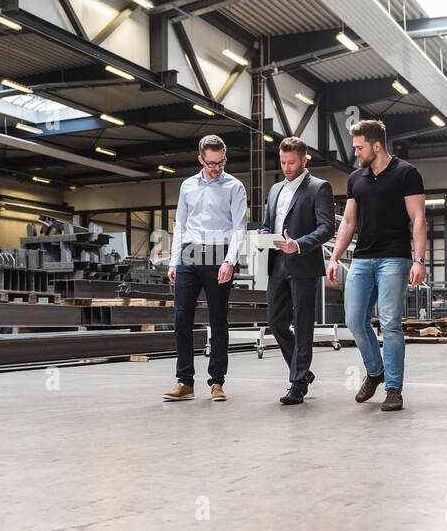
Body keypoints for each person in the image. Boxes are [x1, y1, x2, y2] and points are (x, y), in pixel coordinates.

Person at [326, 119, 426, 412]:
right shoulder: (356, 178)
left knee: (390, 322)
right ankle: (375, 371)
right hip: (362, 258)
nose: (355, 153)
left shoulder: (407, 174)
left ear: (376, 145)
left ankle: (394, 388)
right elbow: (348, 221)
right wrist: (334, 256)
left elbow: (418, 218)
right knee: (354, 320)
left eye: (359, 147)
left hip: (394, 257)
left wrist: (419, 259)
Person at [163, 134, 248, 402]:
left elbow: (239, 227)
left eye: (221, 161)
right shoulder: (187, 186)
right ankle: (184, 381)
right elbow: (180, 225)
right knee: (181, 319)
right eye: (212, 163)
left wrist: (229, 260)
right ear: (201, 159)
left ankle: (217, 382)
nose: (217, 167)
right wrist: (174, 260)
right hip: (189, 253)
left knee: (217, 319)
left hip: (218, 254)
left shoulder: (235, 187)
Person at [258, 137, 334, 405]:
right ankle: (302, 370)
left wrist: (298, 245)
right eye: (282, 162)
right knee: (276, 322)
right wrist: (262, 235)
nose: (286, 167)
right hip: (277, 264)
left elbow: (326, 228)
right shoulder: (275, 189)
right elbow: (269, 224)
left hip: (303, 265)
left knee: (302, 326)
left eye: (291, 162)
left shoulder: (319, 188)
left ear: (304, 160)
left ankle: (298, 382)